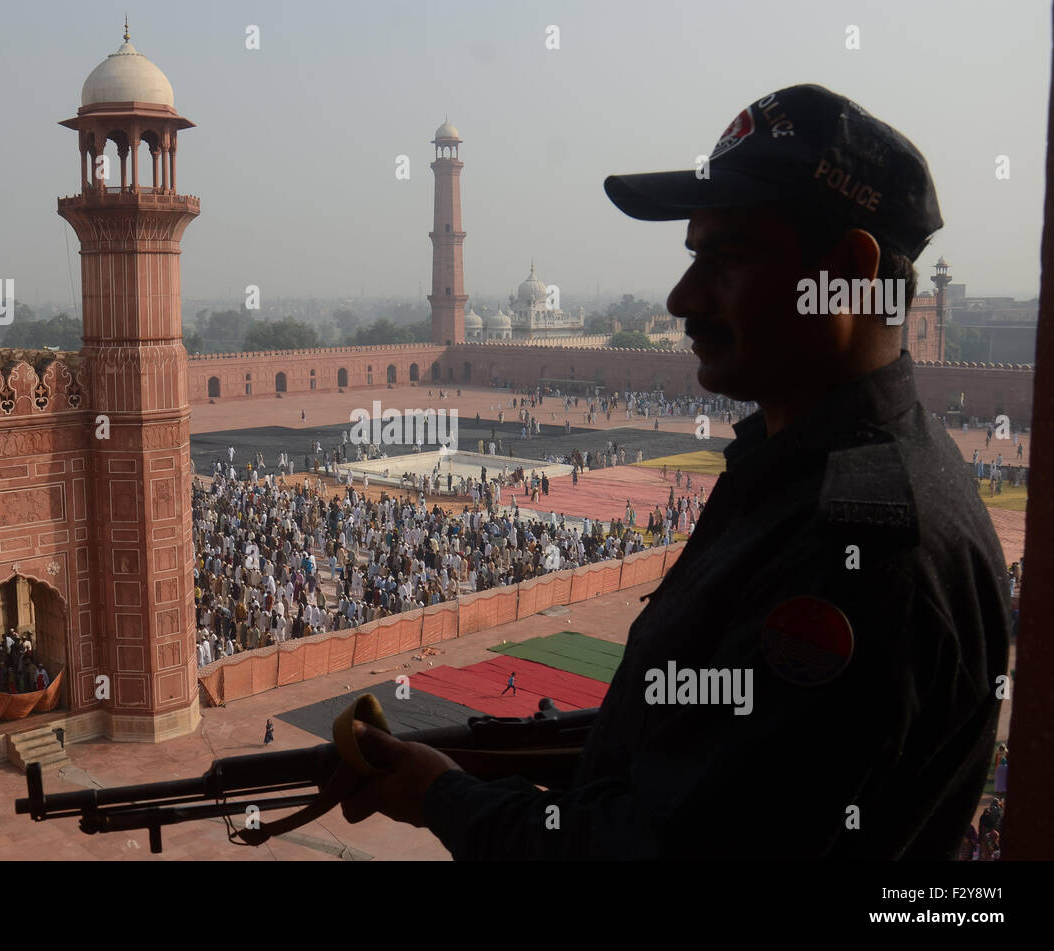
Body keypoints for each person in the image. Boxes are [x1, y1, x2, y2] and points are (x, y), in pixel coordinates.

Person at [335, 85, 1010, 859]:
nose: (683, 297)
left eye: (728, 259)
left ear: (849, 275)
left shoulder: (864, 548)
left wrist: (442, 795)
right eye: (695, 258)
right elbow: (721, 764)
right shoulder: (806, 475)